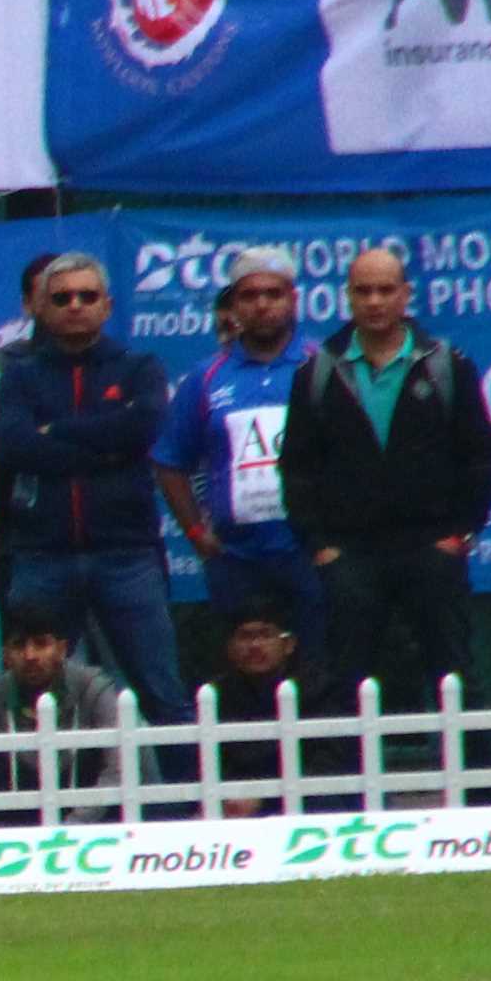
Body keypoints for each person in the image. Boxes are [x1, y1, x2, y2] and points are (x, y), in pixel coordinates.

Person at [280, 246, 491, 752]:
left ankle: (482, 797)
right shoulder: (316, 373)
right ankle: (346, 805)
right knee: (346, 681)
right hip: (350, 552)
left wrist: (461, 532)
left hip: (430, 545)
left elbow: (481, 457)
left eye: (385, 290)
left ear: (406, 295)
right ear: (347, 298)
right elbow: (297, 469)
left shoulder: (447, 366)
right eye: (363, 290)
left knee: (455, 677)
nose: (375, 301)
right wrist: (320, 546)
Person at [0, 251, 183, 727]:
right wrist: (105, 446)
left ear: (107, 305)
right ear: (40, 306)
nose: (75, 305)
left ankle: (187, 804)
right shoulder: (18, 375)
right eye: (61, 297)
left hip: (126, 555)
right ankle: (25, 803)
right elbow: (15, 446)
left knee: (161, 692)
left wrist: (54, 432)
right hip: (43, 555)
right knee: (26, 701)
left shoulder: (139, 367)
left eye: (87, 296)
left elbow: (141, 429)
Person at [152, 246, 319, 684]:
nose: (262, 305)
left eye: (273, 294)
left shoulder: (323, 367)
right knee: (241, 681)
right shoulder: (207, 378)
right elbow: (169, 461)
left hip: (307, 553)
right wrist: (194, 531)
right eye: (249, 296)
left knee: (318, 672)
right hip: (235, 558)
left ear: (293, 300)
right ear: (234, 305)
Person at [0, 584, 132, 813]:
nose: (30, 655)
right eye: (19, 645)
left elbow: (121, 766)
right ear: (5, 655)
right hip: (7, 835)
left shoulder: (92, 688)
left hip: (88, 833)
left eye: (41, 643)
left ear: (62, 649)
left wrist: (75, 826)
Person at [188, 566, 310, 816]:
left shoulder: (317, 689)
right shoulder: (216, 696)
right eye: (245, 637)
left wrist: (264, 799)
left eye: (266, 635)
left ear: (288, 644)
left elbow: (324, 765)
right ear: (230, 646)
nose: (255, 646)